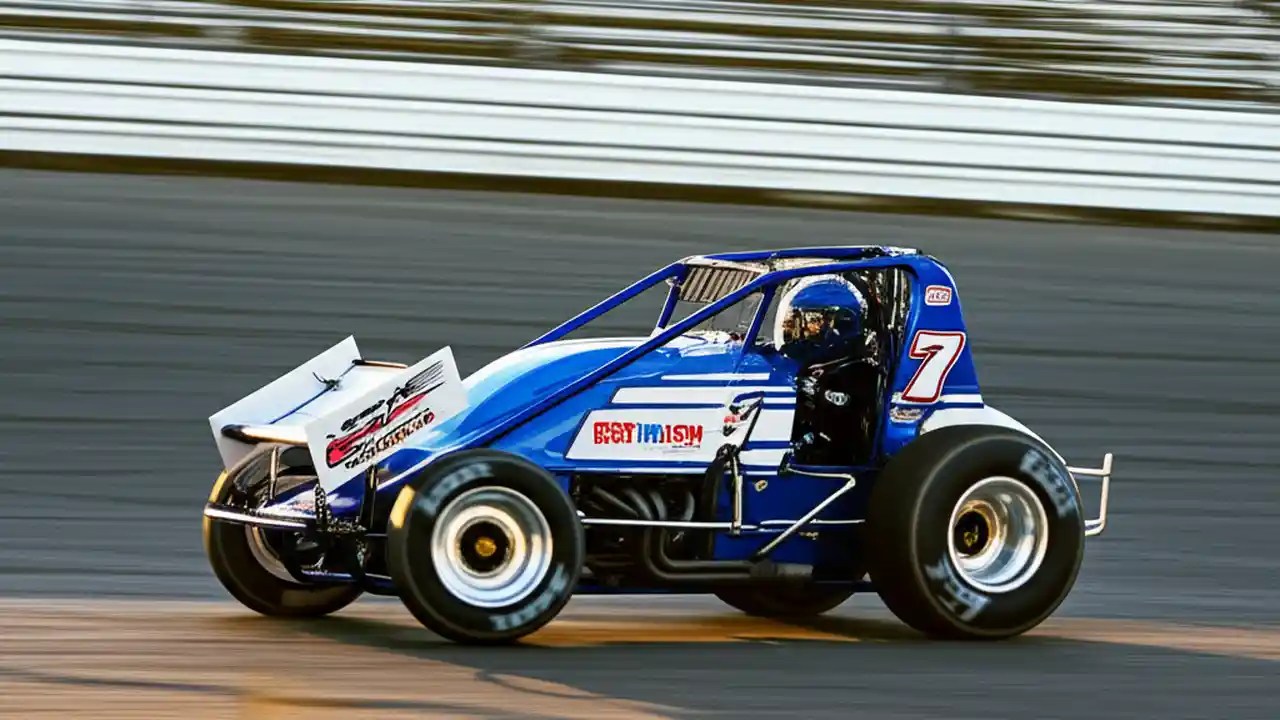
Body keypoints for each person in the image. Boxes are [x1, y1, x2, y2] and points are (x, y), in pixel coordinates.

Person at [773, 275, 884, 465]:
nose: (798, 331)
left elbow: (837, 435)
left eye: (811, 322)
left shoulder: (855, 373)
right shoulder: (815, 363)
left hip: (829, 463)